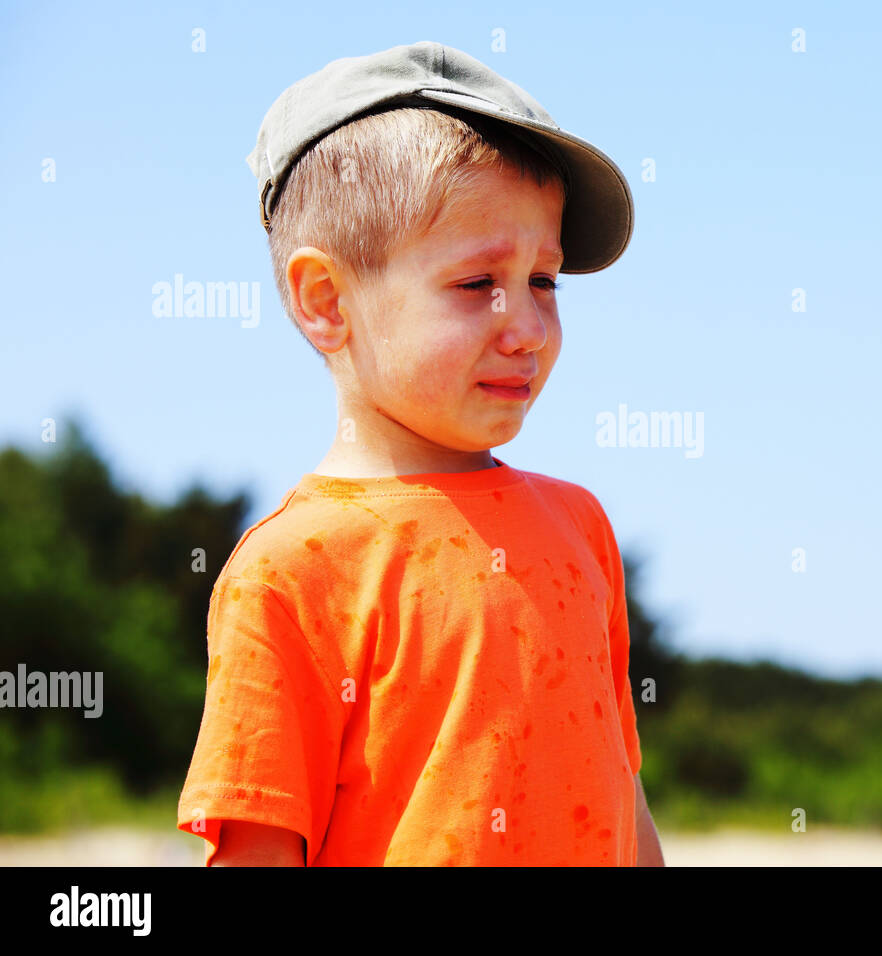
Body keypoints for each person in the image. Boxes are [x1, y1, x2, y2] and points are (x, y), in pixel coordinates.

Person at [175, 41, 662, 866]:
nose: (529, 328)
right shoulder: (290, 571)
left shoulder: (581, 525)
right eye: (479, 286)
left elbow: (623, 801)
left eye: (545, 281)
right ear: (326, 300)